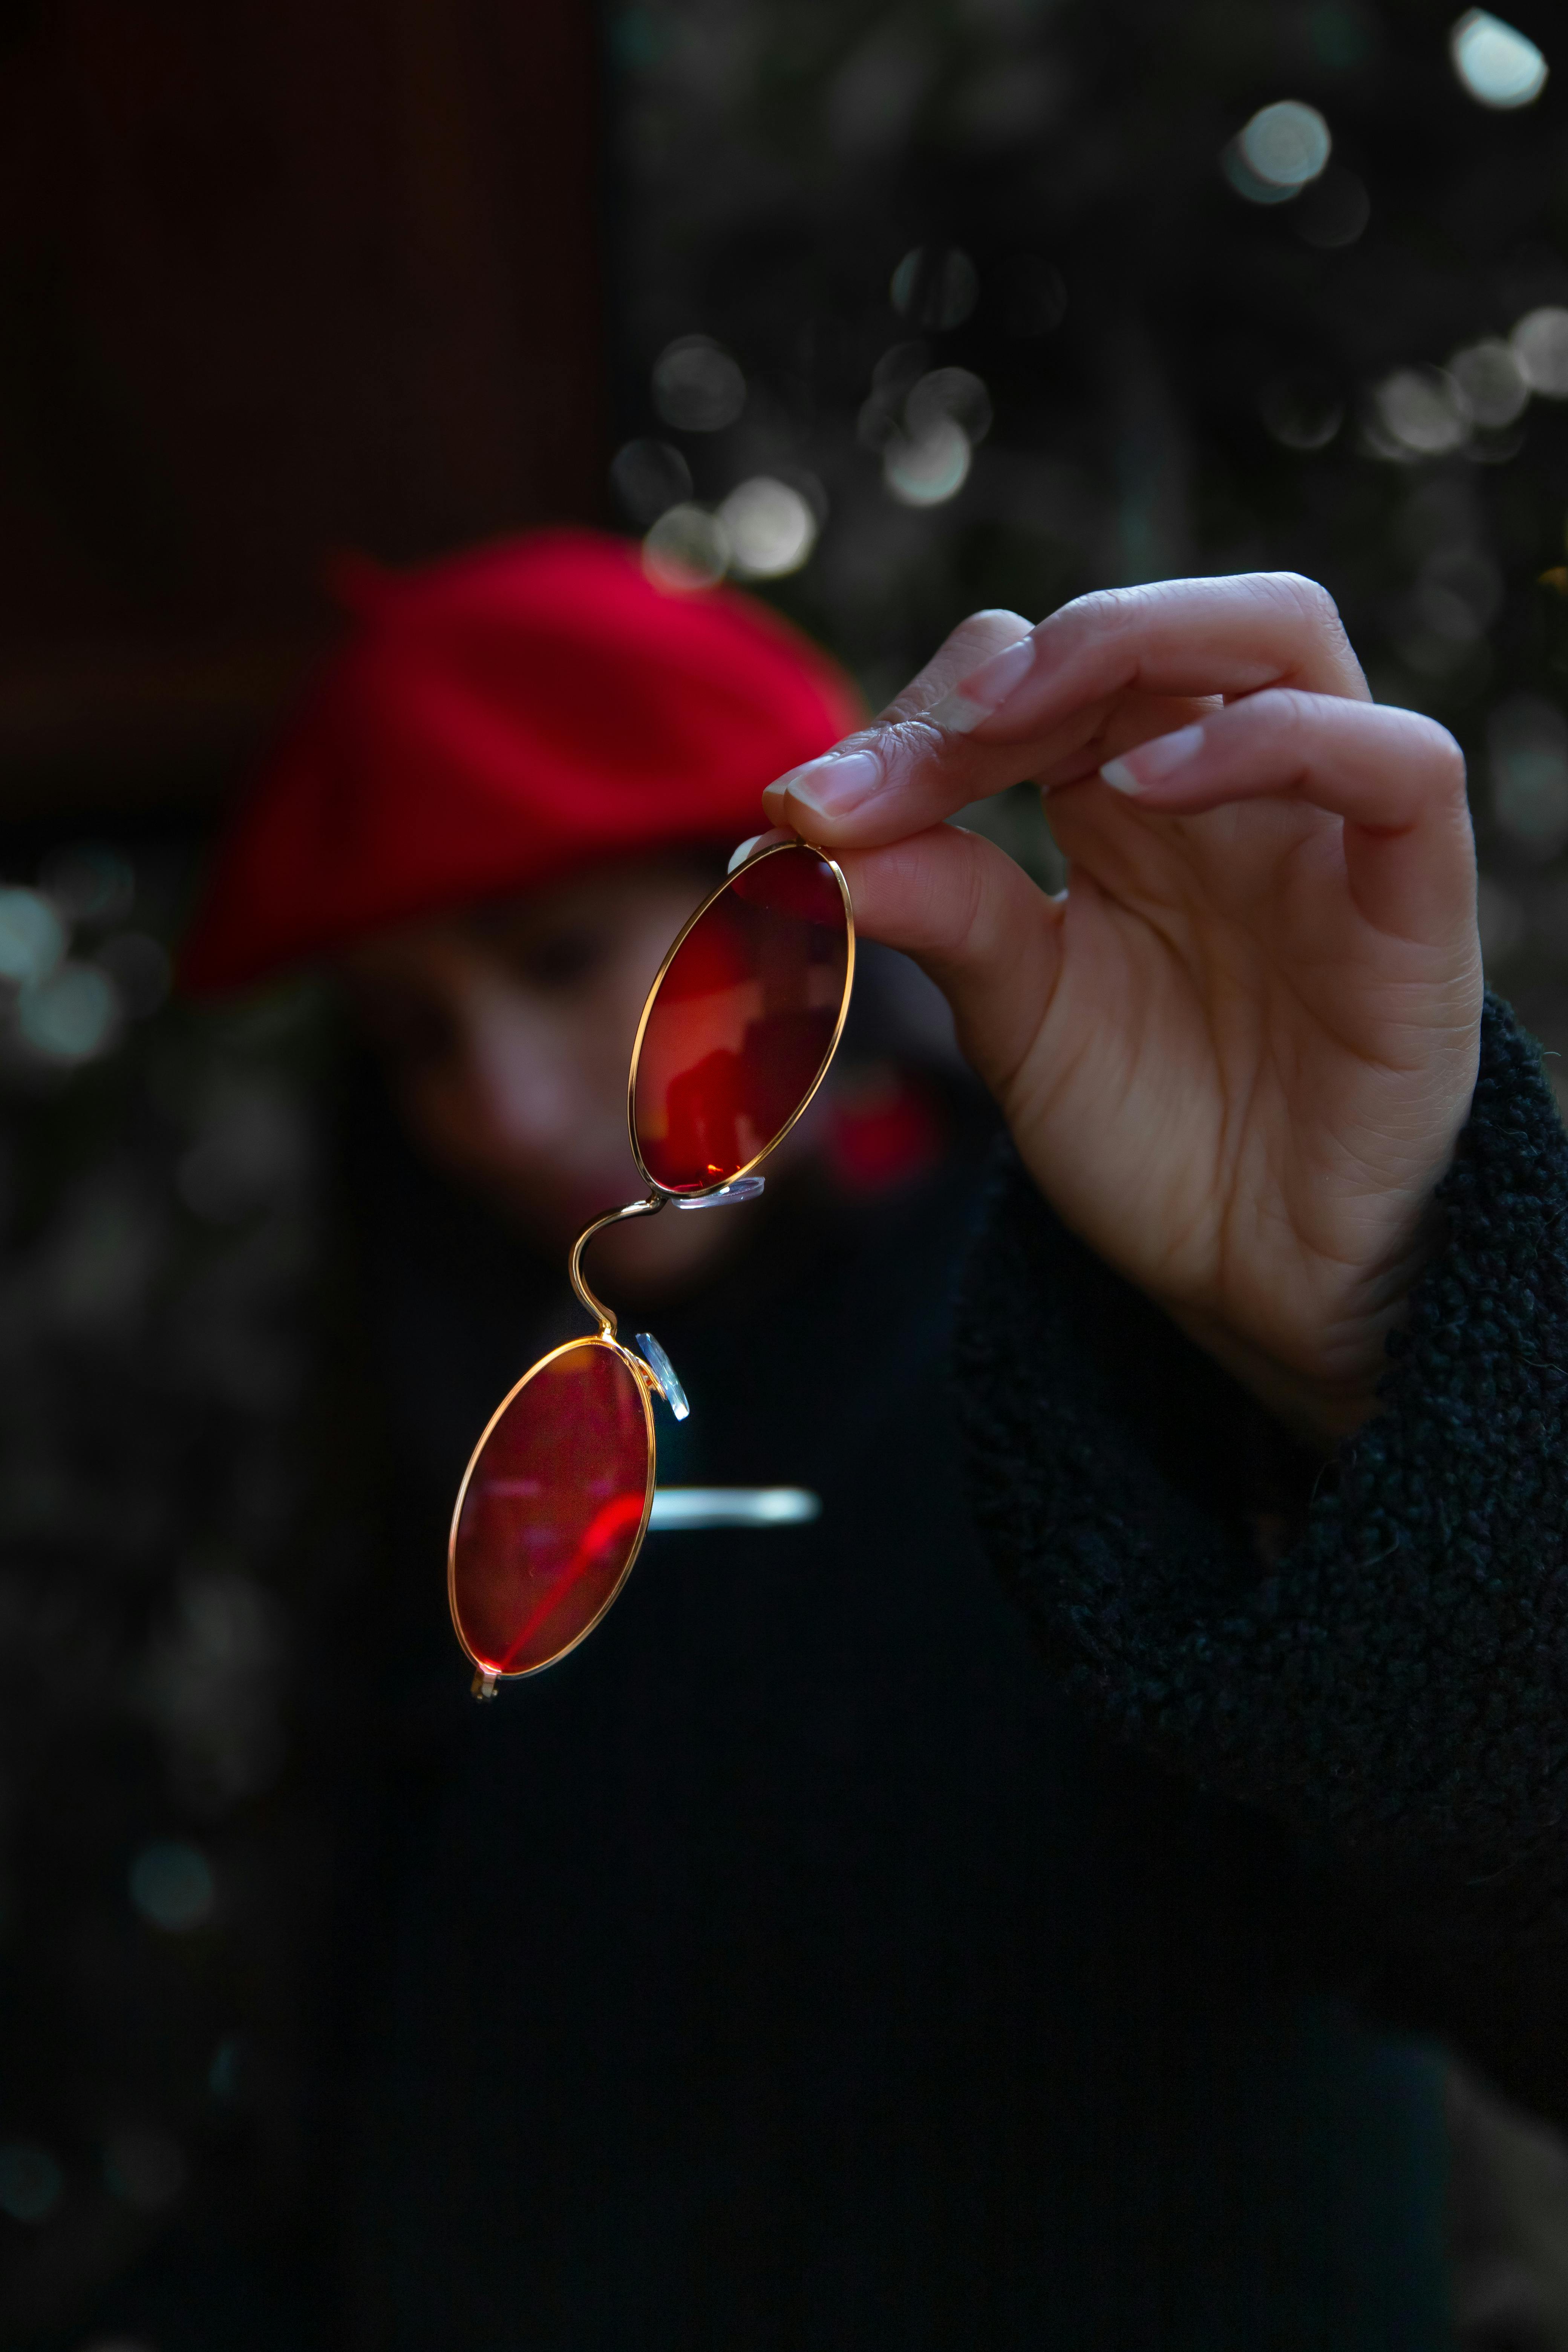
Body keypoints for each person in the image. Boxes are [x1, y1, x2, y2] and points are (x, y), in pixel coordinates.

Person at [94, 545, 1561, 2349]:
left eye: (559, 960)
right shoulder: (466, 1481)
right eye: (415, 1037)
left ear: (799, 909)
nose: (500, 1105)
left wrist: (1371, 1363)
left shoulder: (1123, 1326)